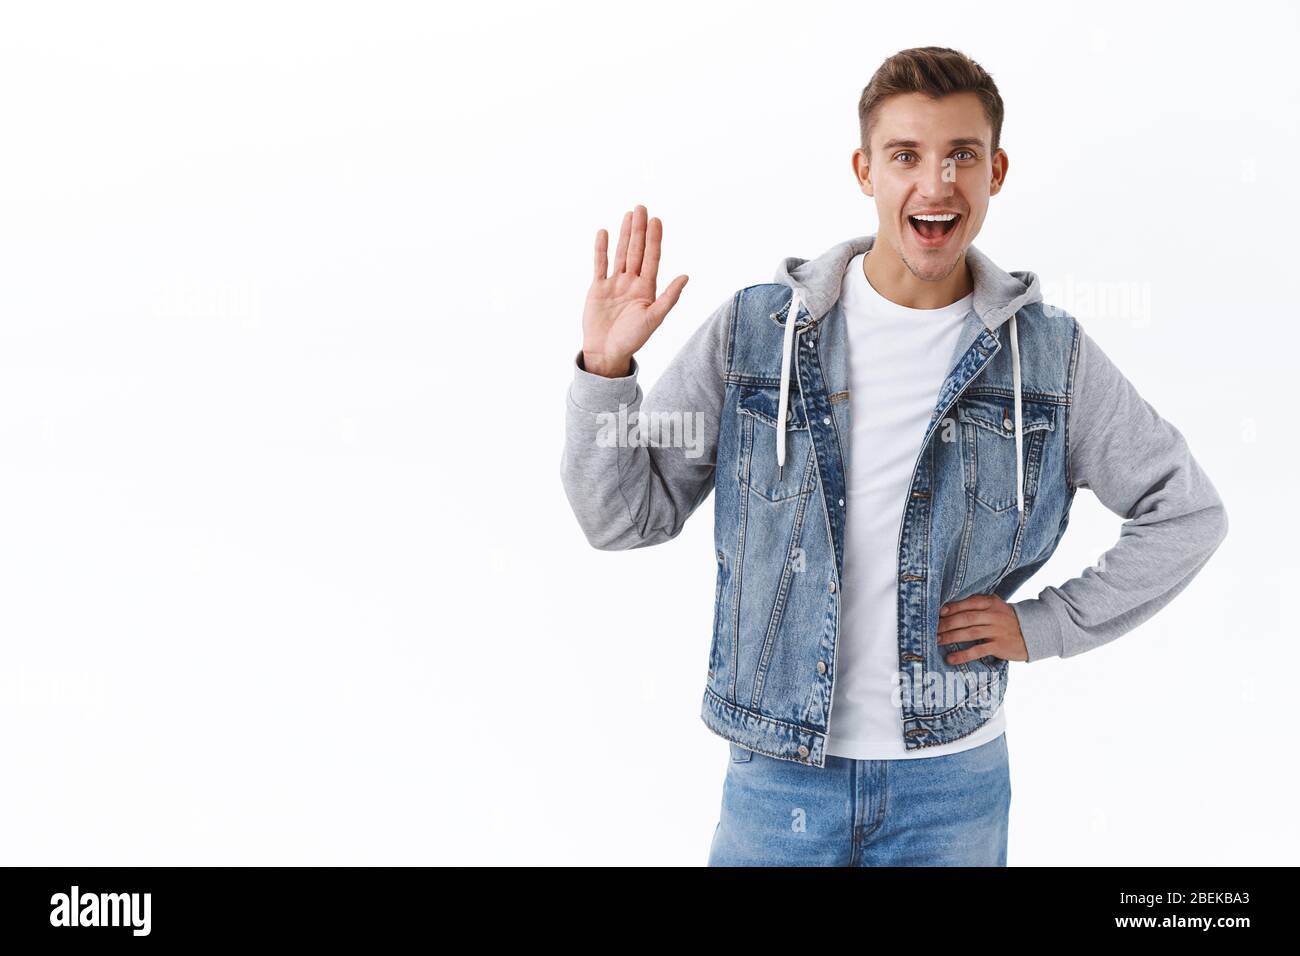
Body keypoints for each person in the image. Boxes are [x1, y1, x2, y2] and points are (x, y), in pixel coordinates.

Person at [559, 46, 1228, 866]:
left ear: (996, 171)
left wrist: (1045, 625)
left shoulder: (1050, 359)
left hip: (951, 786)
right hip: (778, 778)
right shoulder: (755, 334)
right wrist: (605, 371)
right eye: (906, 155)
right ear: (865, 170)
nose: (936, 183)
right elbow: (622, 518)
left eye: (962, 156)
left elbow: (1187, 514)